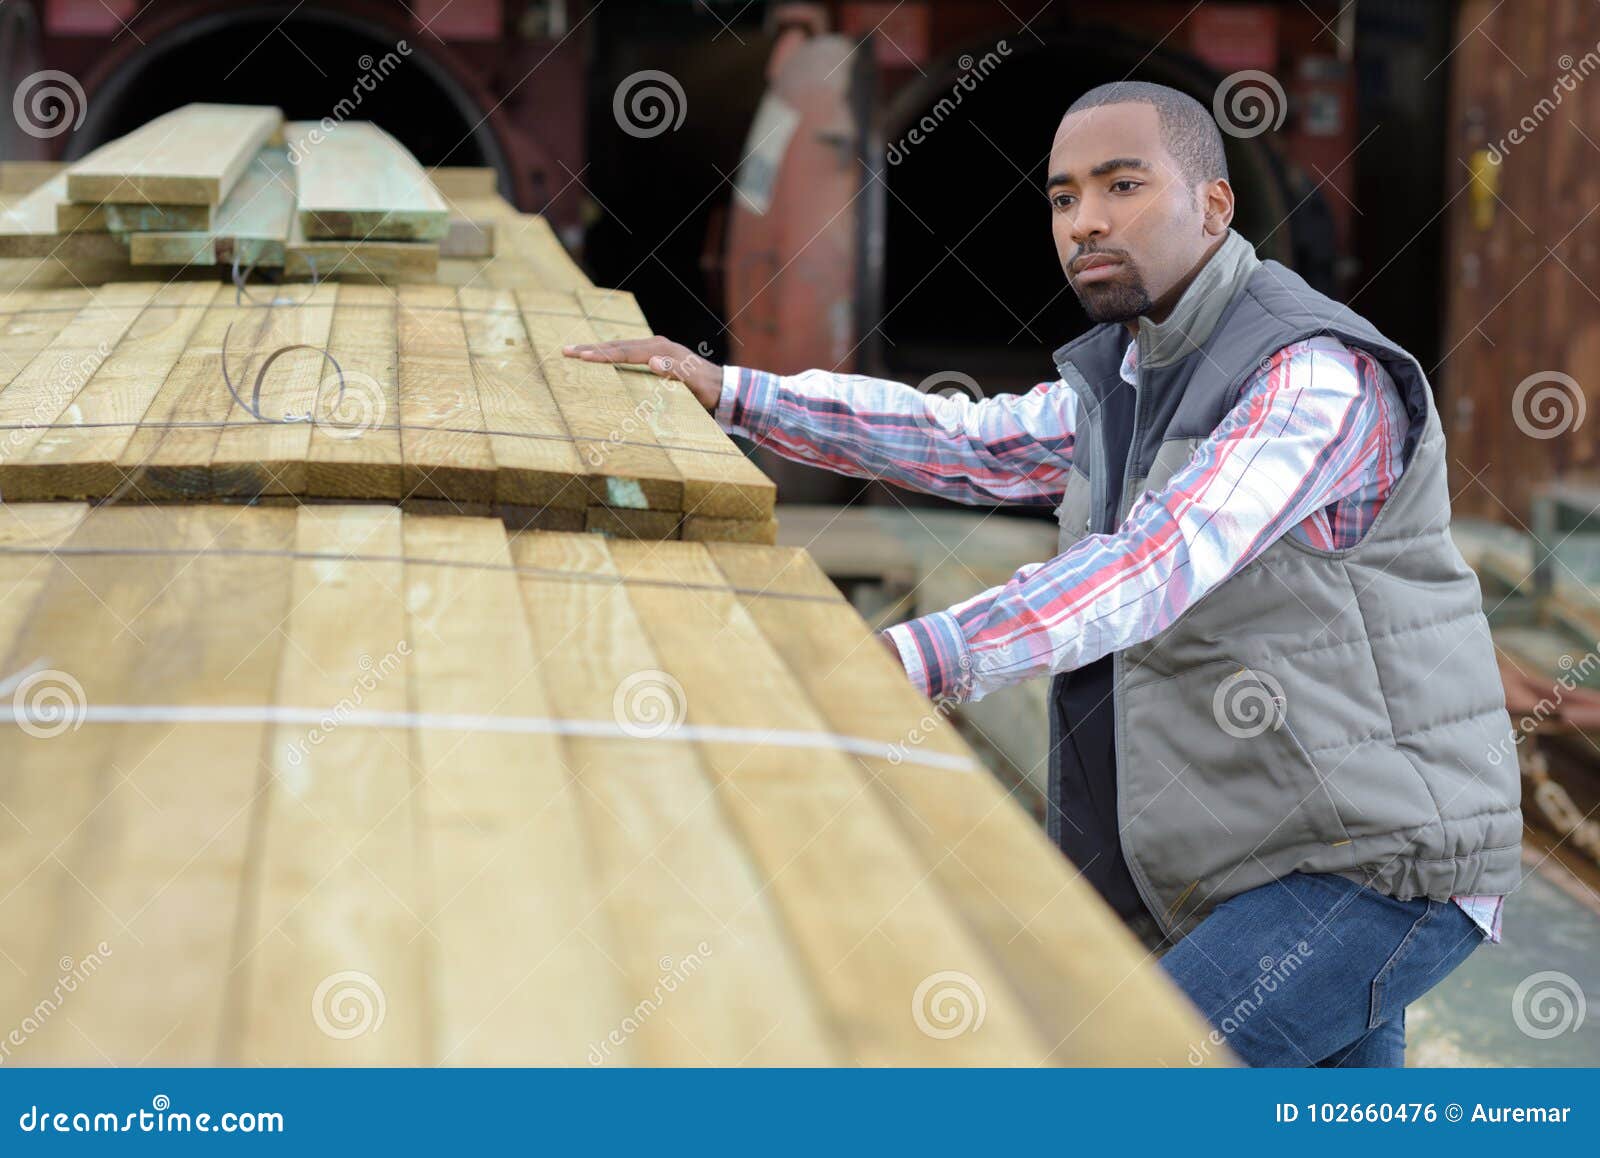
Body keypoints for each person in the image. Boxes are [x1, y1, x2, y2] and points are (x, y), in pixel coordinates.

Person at [563, 80, 1521, 1067]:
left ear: (1215, 205)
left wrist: (906, 659)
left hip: (1372, 865)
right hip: (1263, 855)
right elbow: (972, 443)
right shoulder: (1135, 379)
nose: (1086, 221)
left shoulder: (1309, 376)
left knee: (1115, 1080)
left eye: (1122, 186)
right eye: (1063, 197)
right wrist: (731, 391)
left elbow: (1153, 562)